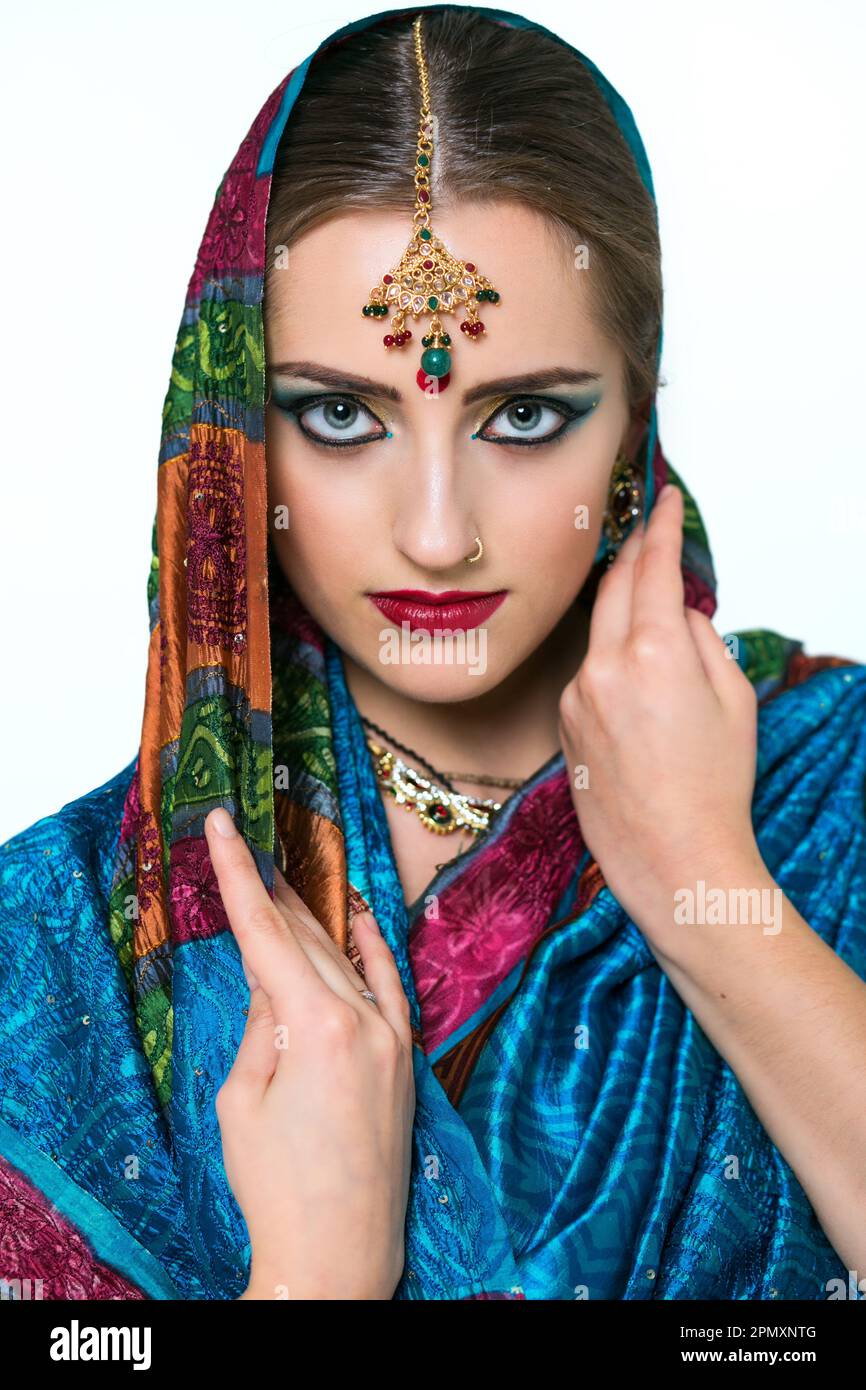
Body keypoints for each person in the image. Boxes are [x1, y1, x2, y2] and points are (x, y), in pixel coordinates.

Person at [1, 4, 865, 1302]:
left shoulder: (831, 792)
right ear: (232, 432)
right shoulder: (56, 941)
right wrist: (312, 1275)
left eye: (523, 414)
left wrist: (706, 892)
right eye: (340, 414)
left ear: (637, 414)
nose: (437, 531)